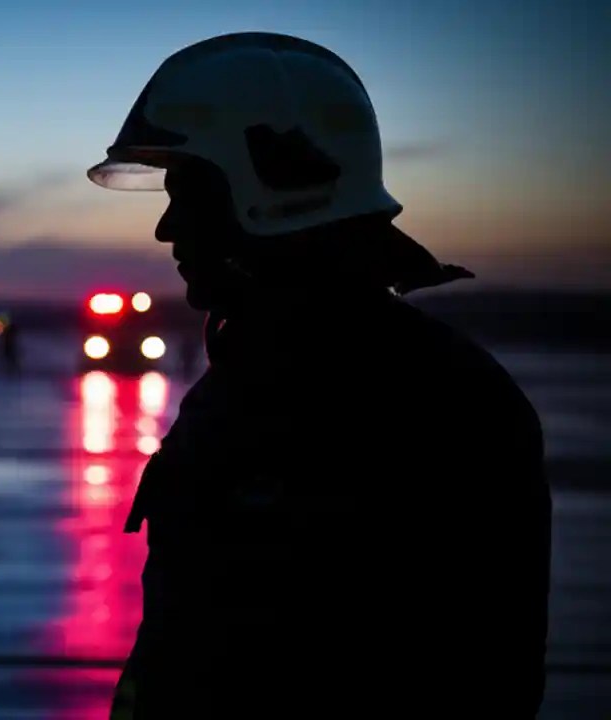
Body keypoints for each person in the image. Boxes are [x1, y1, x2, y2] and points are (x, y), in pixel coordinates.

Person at [87, 32, 552, 718]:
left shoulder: (441, 409)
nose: (167, 228)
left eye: (191, 192)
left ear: (274, 186)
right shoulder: (244, 381)